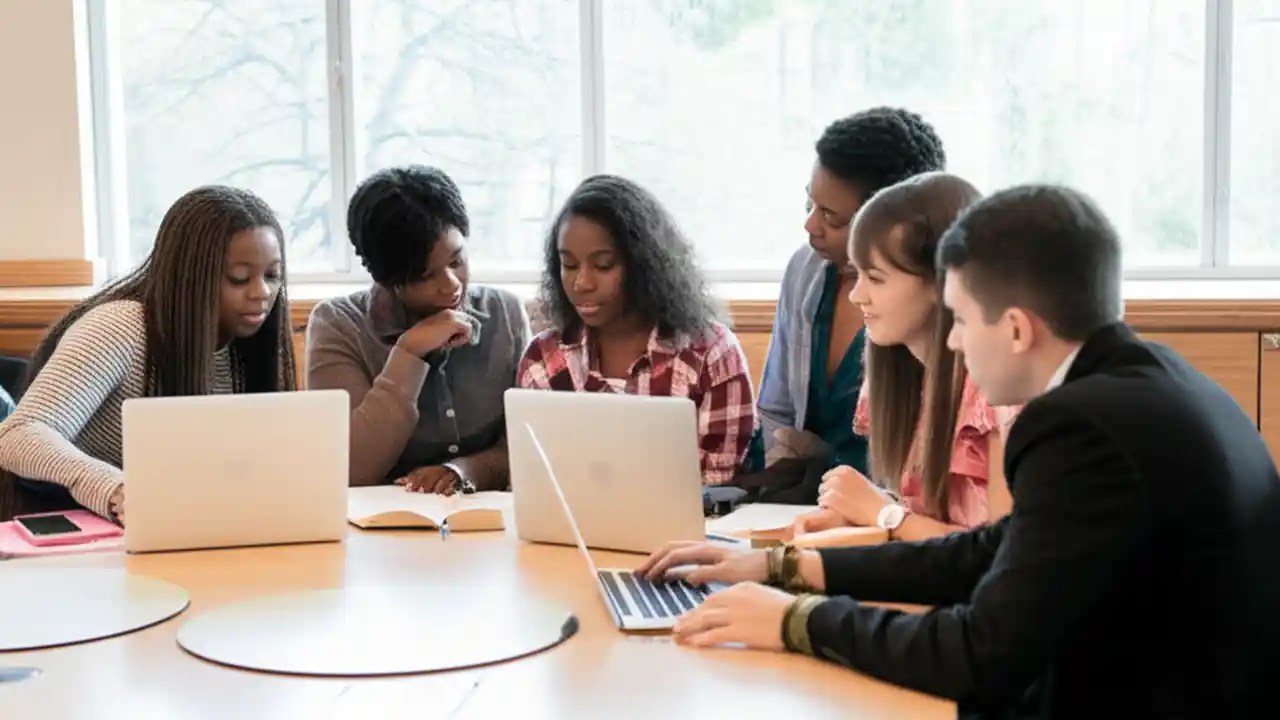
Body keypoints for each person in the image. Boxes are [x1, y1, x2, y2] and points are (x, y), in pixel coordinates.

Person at [638, 185, 1279, 717]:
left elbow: (980, 653)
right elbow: (989, 551)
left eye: (963, 321)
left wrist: (792, 621)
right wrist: (780, 568)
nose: (953, 343)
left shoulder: (1081, 427)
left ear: (1017, 329)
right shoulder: (1152, 378)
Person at [0, 186, 296, 523]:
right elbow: (19, 433)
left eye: (272, 275)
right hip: (73, 526)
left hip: (182, 528)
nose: (262, 293)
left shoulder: (254, 348)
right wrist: (116, 489)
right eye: (239, 278)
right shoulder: (119, 328)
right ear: (190, 277)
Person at [792, 172, 1013, 541]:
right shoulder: (900, 376)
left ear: (943, 284)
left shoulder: (1001, 396)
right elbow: (920, 524)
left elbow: (1003, 553)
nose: (856, 296)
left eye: (876, 278)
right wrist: (859, 522)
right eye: (856, 275)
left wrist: (883, 515)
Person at [746, 107, 947, 499]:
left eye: (831, 217)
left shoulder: (931, 309)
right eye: (809, 205)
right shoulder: (806, 270)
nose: (810, 226)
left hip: (893, 506)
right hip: (808, 499)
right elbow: (776, 411)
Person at [517, 174, 754, 486]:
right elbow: (533, 480)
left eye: (603, 265)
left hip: (682, 518)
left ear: (645, 266)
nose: (581, 283)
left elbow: (716, 483)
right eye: (569, 265)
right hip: (565, 519)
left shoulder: (710, 353)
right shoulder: (543, 359)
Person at [307, 166, 530, 493]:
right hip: (378, 521)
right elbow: (349, 470)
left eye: (456, 261)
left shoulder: (504, 314)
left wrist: (467, 470)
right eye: (427, 276)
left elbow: (531, 444)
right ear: (387, 279)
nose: (451, 285)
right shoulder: (338, 325)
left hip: (486, 515)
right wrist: (408, 353)